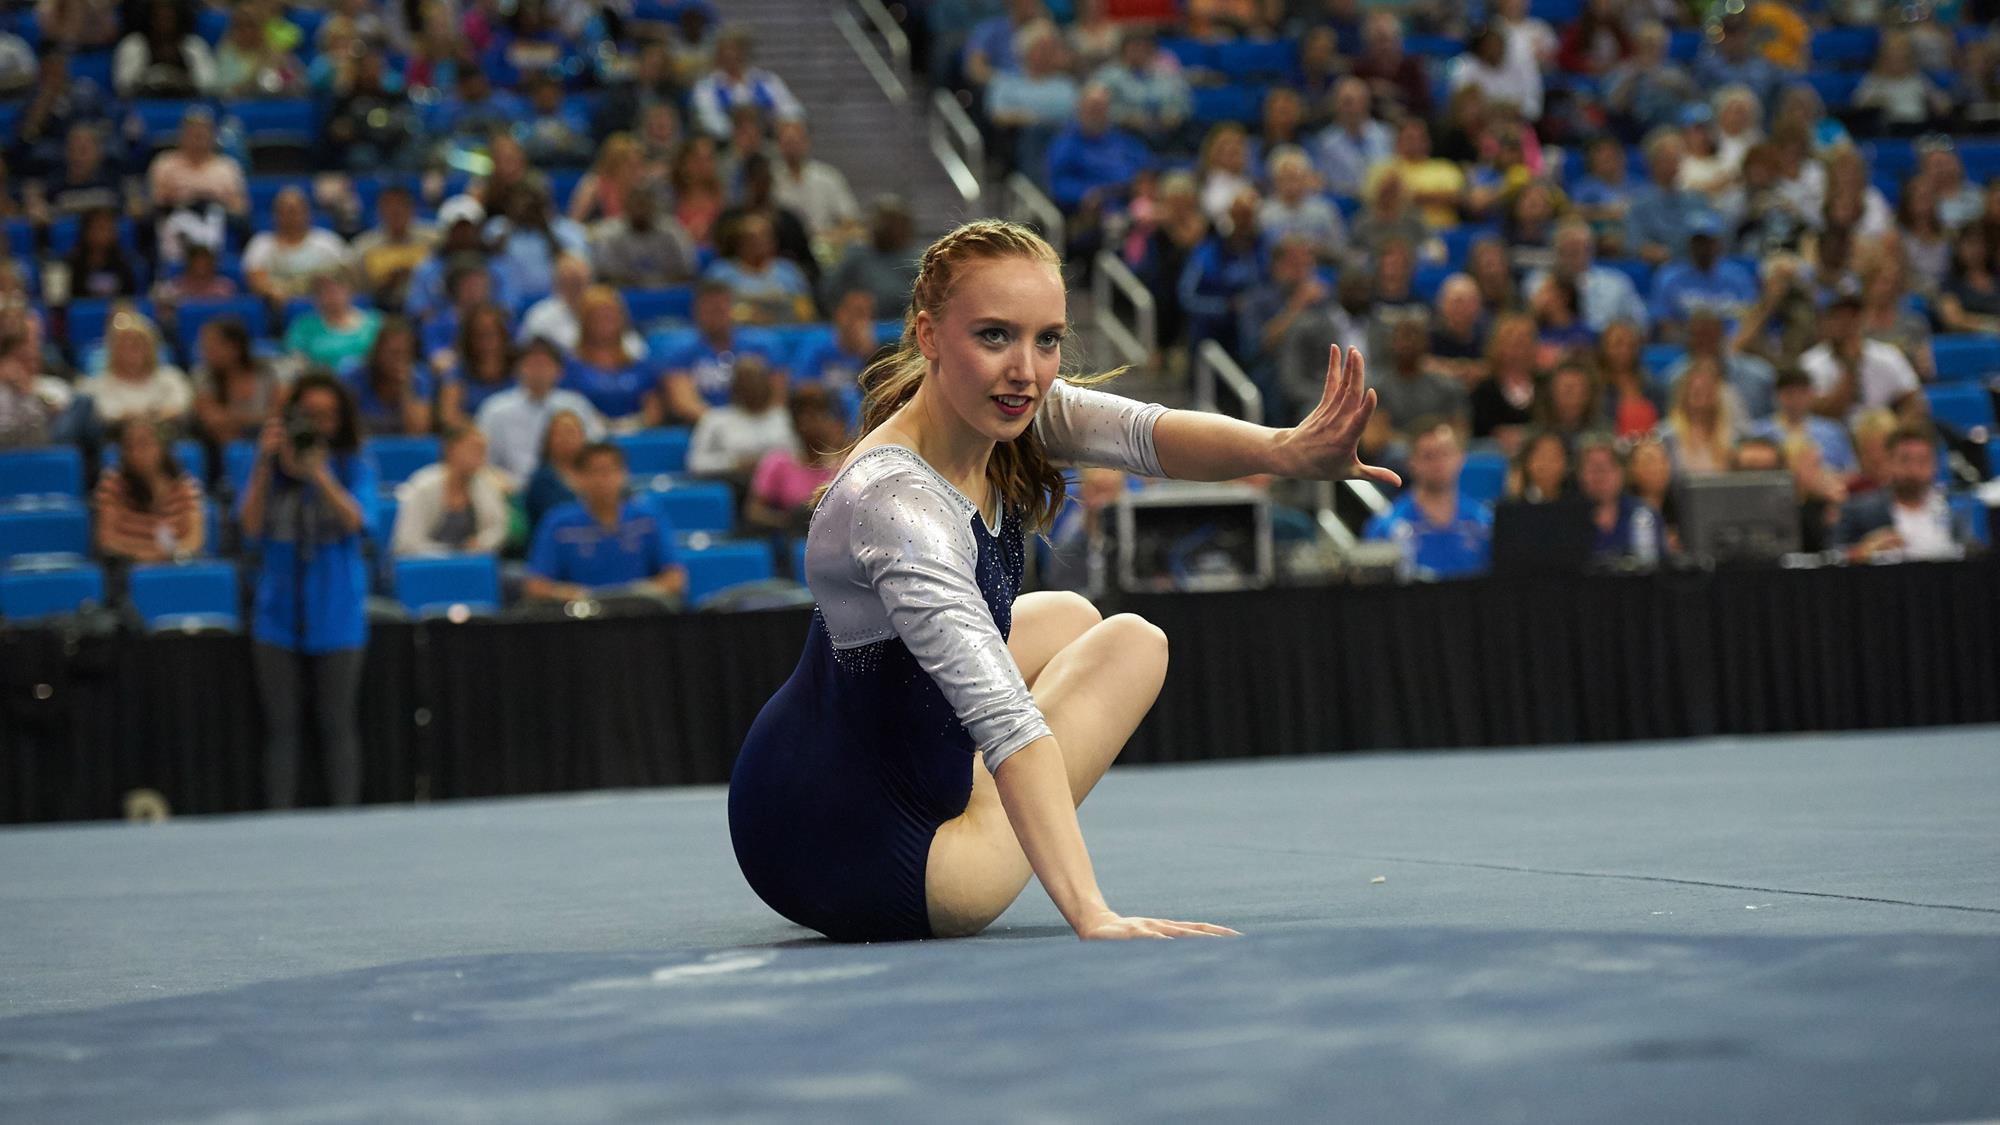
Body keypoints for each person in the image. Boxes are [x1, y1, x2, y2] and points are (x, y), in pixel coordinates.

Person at [730, 219, 1395, 944]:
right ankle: (973, 827)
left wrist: (1288, 450)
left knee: (1073, 617)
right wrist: (1091, 911)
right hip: (880, 863)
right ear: (927, 336)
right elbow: (1009, 725)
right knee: (1134, 643)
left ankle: (949, 787)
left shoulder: (991, 412)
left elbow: (1148, 433)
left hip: (785, 791)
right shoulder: (900, 506)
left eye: (1045, 339)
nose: (1027, 368)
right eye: (994, 336)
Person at [237, 370, 375, 809]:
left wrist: (319, 474)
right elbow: (250, 527)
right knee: (281, 729)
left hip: (336, 609)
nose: (318, 425)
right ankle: (279, 822)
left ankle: (345, 820)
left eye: (327, 416)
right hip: (277, 611)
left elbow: (357, 522)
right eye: (309, 415)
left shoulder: (354, 463)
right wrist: (264, 462)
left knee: (338, 725)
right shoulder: (271, 468)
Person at [522, 441, 688, 602]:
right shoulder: (558, 523)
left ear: (624, 474)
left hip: (638, 615)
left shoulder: (648, 518)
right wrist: (568, 594)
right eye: (595, 472)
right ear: (578, 479)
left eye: (610, 471)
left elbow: (675, 577)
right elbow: (536, 585)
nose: (603, 480)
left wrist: (643, 591)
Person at [1363, 418, 1491, 580]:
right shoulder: (1388, 526)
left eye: (1445, 453)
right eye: (1428, 456)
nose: (1438, 464)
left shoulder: (1484, 522)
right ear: (1412, 462)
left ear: (1460, 458)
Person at [1835, 423, 1969, 562]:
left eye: (1922, 461)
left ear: (1935, 465)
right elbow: (1833, 558)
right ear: (1889, 462)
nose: (1914, 469)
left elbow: (1967, 553)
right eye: (1905, 460)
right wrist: (1866, 549)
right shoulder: (1859, 510)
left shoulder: (1952, 511)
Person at [477, 336, 604, 482]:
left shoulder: (577, 405)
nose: (538, 371)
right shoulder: (495, 409)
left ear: (559, 371)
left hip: (569, 486)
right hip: (511, 488)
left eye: (545, 364)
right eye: (532, 364)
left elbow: (596, 450)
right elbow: (484, 461)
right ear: (517, 369)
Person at [657, 279, 783, 422]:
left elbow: (777, 396)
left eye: (720, 310)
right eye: (709, 311)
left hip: (759, 421)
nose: (715, 317)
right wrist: (722, 424)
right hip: (706, 425)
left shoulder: (762, 345)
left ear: (732, 309)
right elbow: (684, 403)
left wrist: (754, 420)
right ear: (696, 311)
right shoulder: (679, 349)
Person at [94, 417, 206, 563]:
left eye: (144, 444)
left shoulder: (185, 487)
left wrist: (162, 555)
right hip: (128, 571)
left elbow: (194, 541)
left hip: (173, 569)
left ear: (163, 447)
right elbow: (107, 541)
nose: (135, 452)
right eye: (129, 446)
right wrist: (148, 554)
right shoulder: (112, 486)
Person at [1799, 296, 1920, 424]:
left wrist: (1897, 431)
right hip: (1832, 435)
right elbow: (1826, 414)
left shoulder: (1888, 356)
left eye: (1853, 318)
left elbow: (1913, 402)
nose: (1846, 325)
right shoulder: (1809, 363)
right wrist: (1851, 367)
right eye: (1839, 318)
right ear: (1826, 323)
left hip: (1880, 432)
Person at [391, 425, 508, 556]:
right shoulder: (423, 486)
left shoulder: (487, 486)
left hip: (470, 563)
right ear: (451, 450)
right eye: (473, 449)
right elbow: (408, 543)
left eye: (483, 451)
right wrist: (449, 555)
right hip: (426, 566)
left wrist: (482, 543)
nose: (480, 457)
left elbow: (499, 529)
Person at [744, 386, 843, 535]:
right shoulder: (777, 462)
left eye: (820, 414)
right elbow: (754, 511)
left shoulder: (844, 466)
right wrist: (790, 522)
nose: (814, 423)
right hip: (791, 540)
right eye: (807, 416)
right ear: (795, 423)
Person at [687, 355, 798, 477]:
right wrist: (735, 463)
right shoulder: (714, 419)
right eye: (746, 381)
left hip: (780, 484)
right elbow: (696, 463)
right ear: (735, 386)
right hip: (732, 483)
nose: (752, 387)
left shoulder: (784, 417)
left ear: (767, 383)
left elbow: (801, 456)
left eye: (757, 380)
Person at [79, 311, 194, 429]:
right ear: (112, 350)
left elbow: (180, 407)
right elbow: (105, 414)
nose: (131, 351)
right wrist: (151, 415)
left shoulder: (172, 378)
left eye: (137, 344)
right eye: (123, 345)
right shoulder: (94, 386)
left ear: (151, 348)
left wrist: (142, 418)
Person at [244, 189, 353, 303]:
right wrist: (275, 293)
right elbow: (256, 279)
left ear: (307, 213)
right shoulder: (261, 244)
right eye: (284, 211)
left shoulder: (327, 241)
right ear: (275, 214)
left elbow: (348, 274)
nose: (290, 217)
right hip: (280, 307)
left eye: (294, 211)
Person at [821, 196, 921, 318]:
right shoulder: (856, 257)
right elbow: (830, 292)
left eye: (894, 222)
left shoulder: (916, 260)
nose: (887, 228)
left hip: (906, 324)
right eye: (883, 221)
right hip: (865, 325)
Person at [1576, 435, 1663, 567]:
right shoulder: (1567, 519)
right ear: (1580, 475)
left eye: (1606, 467)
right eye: (1592, 468)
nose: (1599, 476)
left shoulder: (1643, 515)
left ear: (1622, 473)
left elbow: (1659, 568)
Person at [348, 316, 434, 436]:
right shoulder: (355, 377)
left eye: (405, 353)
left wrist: (405, 388)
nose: (399, 360)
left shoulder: (419, 379)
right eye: (393, 353)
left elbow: (418, 433)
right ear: (377, 353)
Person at [283, 270, 382, 373]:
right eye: (323, 292)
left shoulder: (375, 322)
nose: (331, 297)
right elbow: (295, 361)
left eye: (336, 290)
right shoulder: (303, 326)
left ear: (350, 291)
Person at [521, 408, 588, 533]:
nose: (566, 439)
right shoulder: (541, 480)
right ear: (548, 440)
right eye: (560, 434)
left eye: (571, 433)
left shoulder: (594, 474)